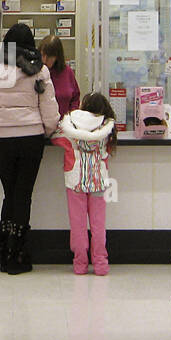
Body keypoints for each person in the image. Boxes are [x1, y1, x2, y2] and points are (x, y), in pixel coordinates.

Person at [0, 23, 59, 274]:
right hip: (31, 139)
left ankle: (4, 253)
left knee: (9, 193)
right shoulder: (40, 70)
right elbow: (49, 108)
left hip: (3, 140)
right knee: (23, 195)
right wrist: (47, 130)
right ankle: (18, 255)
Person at [51, 91, 116, 275]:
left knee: (78, 224)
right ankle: (101, 263)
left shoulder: (70, 125)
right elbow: (109, 147)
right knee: (98, 224)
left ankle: (80, 264)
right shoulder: (106, 128)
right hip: (99, 180)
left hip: (75, 181)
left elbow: (55, 138)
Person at [39, 34, 80, 116]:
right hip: (42, 124)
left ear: (57, 56)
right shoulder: (37, 72)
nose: (44, 60)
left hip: (65, 124)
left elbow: (75, 98)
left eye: (49, 57)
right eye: (42, 55)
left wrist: (71, 116)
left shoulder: (68, 72)